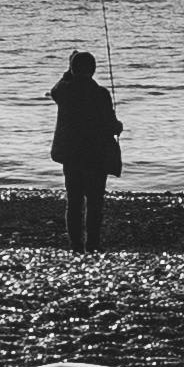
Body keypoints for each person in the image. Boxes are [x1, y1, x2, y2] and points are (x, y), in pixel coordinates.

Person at [48, 50, 124, 252]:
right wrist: (119, 126)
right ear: (93, 70)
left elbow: (55, 90)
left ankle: (75, 245)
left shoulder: (65, 92)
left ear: (72, 70)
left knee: (73, 202)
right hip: (96, 156)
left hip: (72, 156)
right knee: (95, 202)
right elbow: (111, 125)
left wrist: (68, 70)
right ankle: (93, 244)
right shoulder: (101, 94)